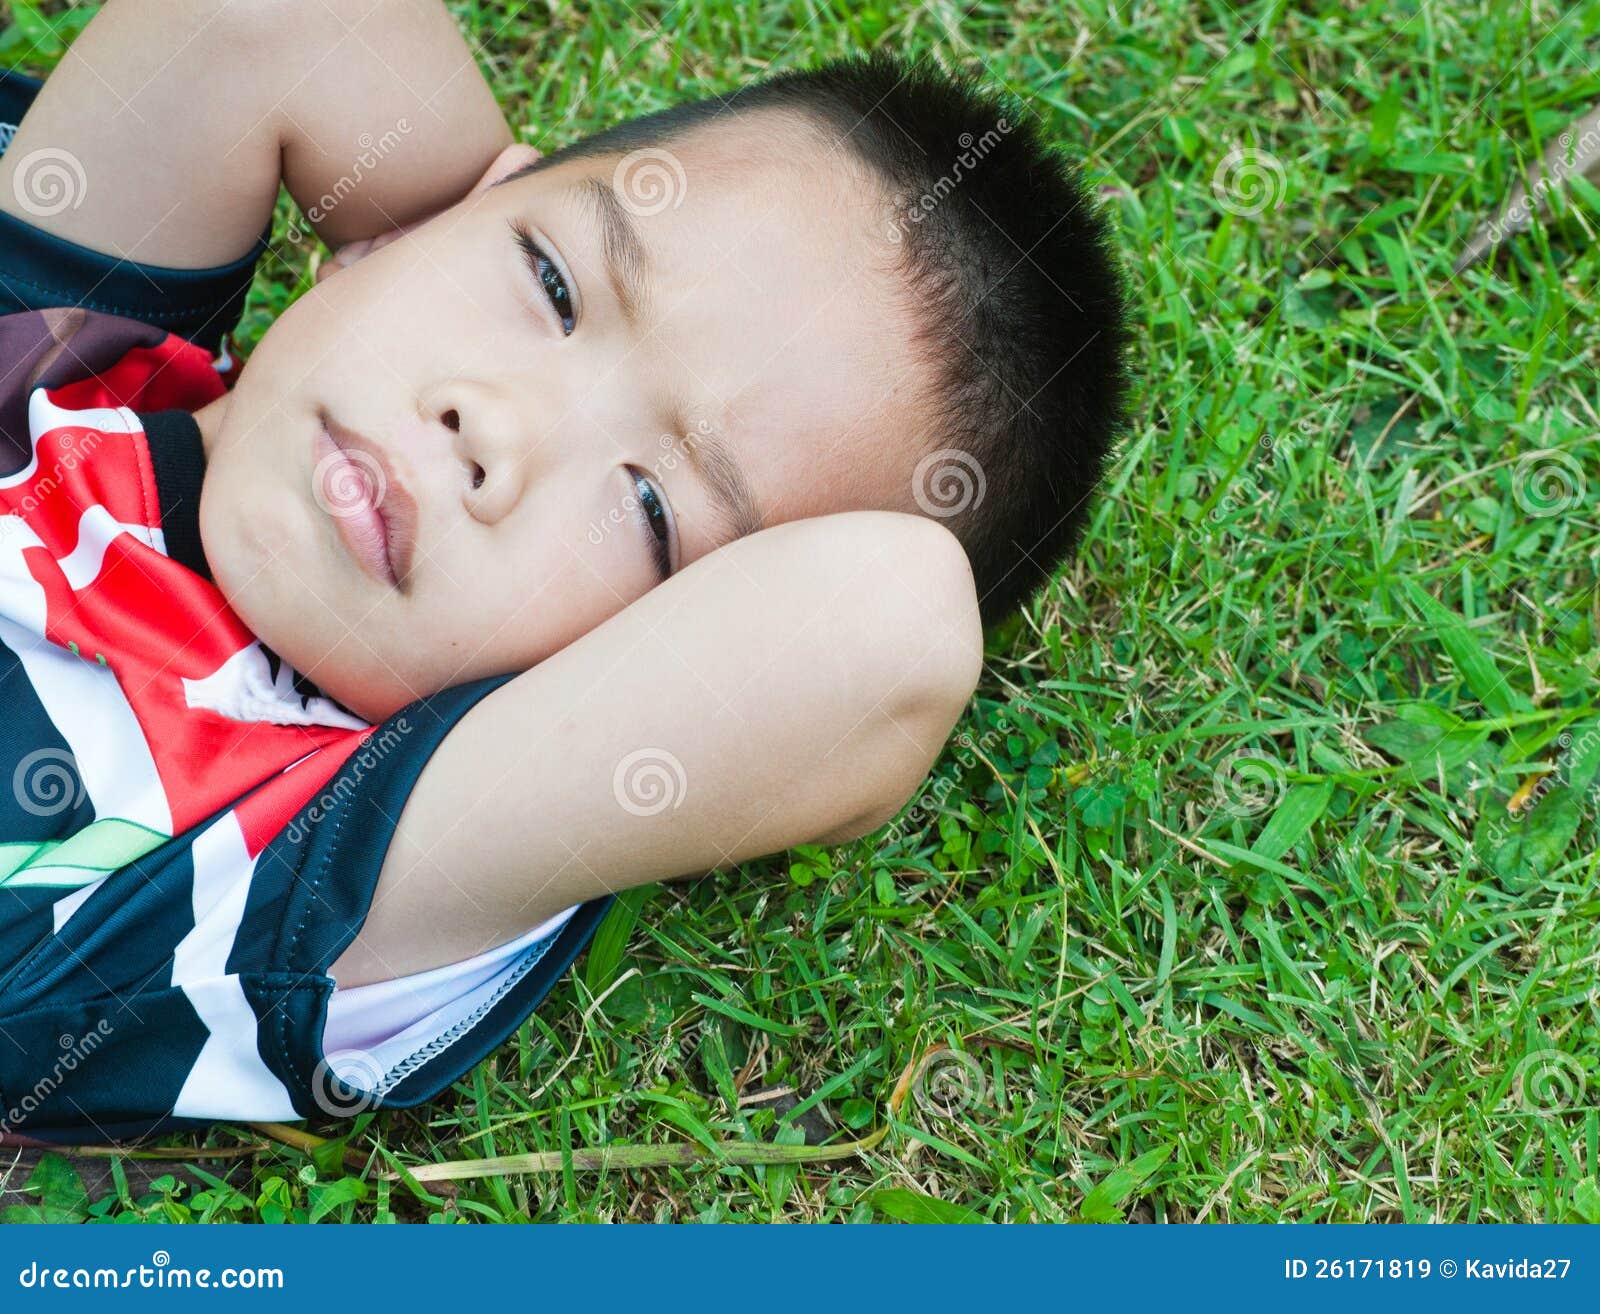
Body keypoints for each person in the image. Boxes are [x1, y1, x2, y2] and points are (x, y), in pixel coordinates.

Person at [0, 0, 1126, 1141]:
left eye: (649, 509)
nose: (493, 428)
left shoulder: (297, 862)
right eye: (550, 285)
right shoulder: (59, 366)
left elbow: (892, 621)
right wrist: (432, 228)